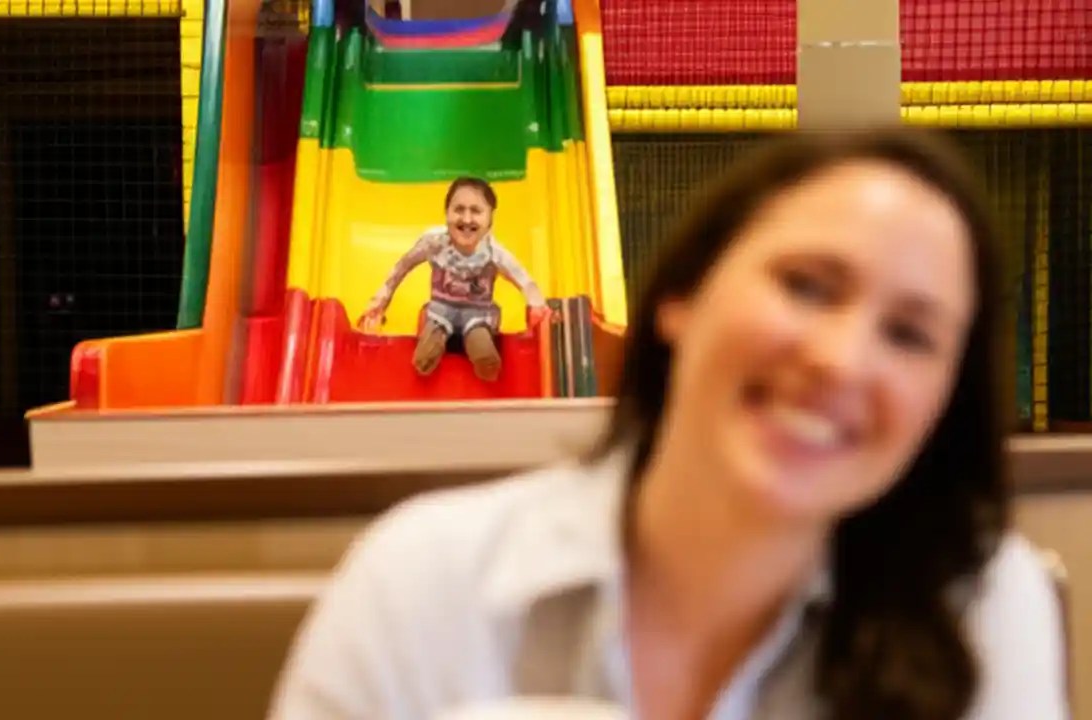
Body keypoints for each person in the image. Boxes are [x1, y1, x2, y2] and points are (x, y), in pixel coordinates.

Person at [272, 129, 1069, 719]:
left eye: (910, 335)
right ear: (682, 297)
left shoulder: (981, 605)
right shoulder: (426, 587)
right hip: (439, 313)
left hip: (478, 317)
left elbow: (518, 273)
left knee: (478, 341)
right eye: (807, 286)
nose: (841, 358)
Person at [358, 177, 549, 382]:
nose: (466, 219)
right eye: (458, 210)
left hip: (477, 315)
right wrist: (380, 301)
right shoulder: (434, 243)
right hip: (441, 311)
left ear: (490, 219)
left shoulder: (494, 253)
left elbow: (524, 279)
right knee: (424, 356)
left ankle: (486, 365)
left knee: (483, 349)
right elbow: (402, 266)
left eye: (476, 211)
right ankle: (429, 351)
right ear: (446, 213)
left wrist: (537, 306)